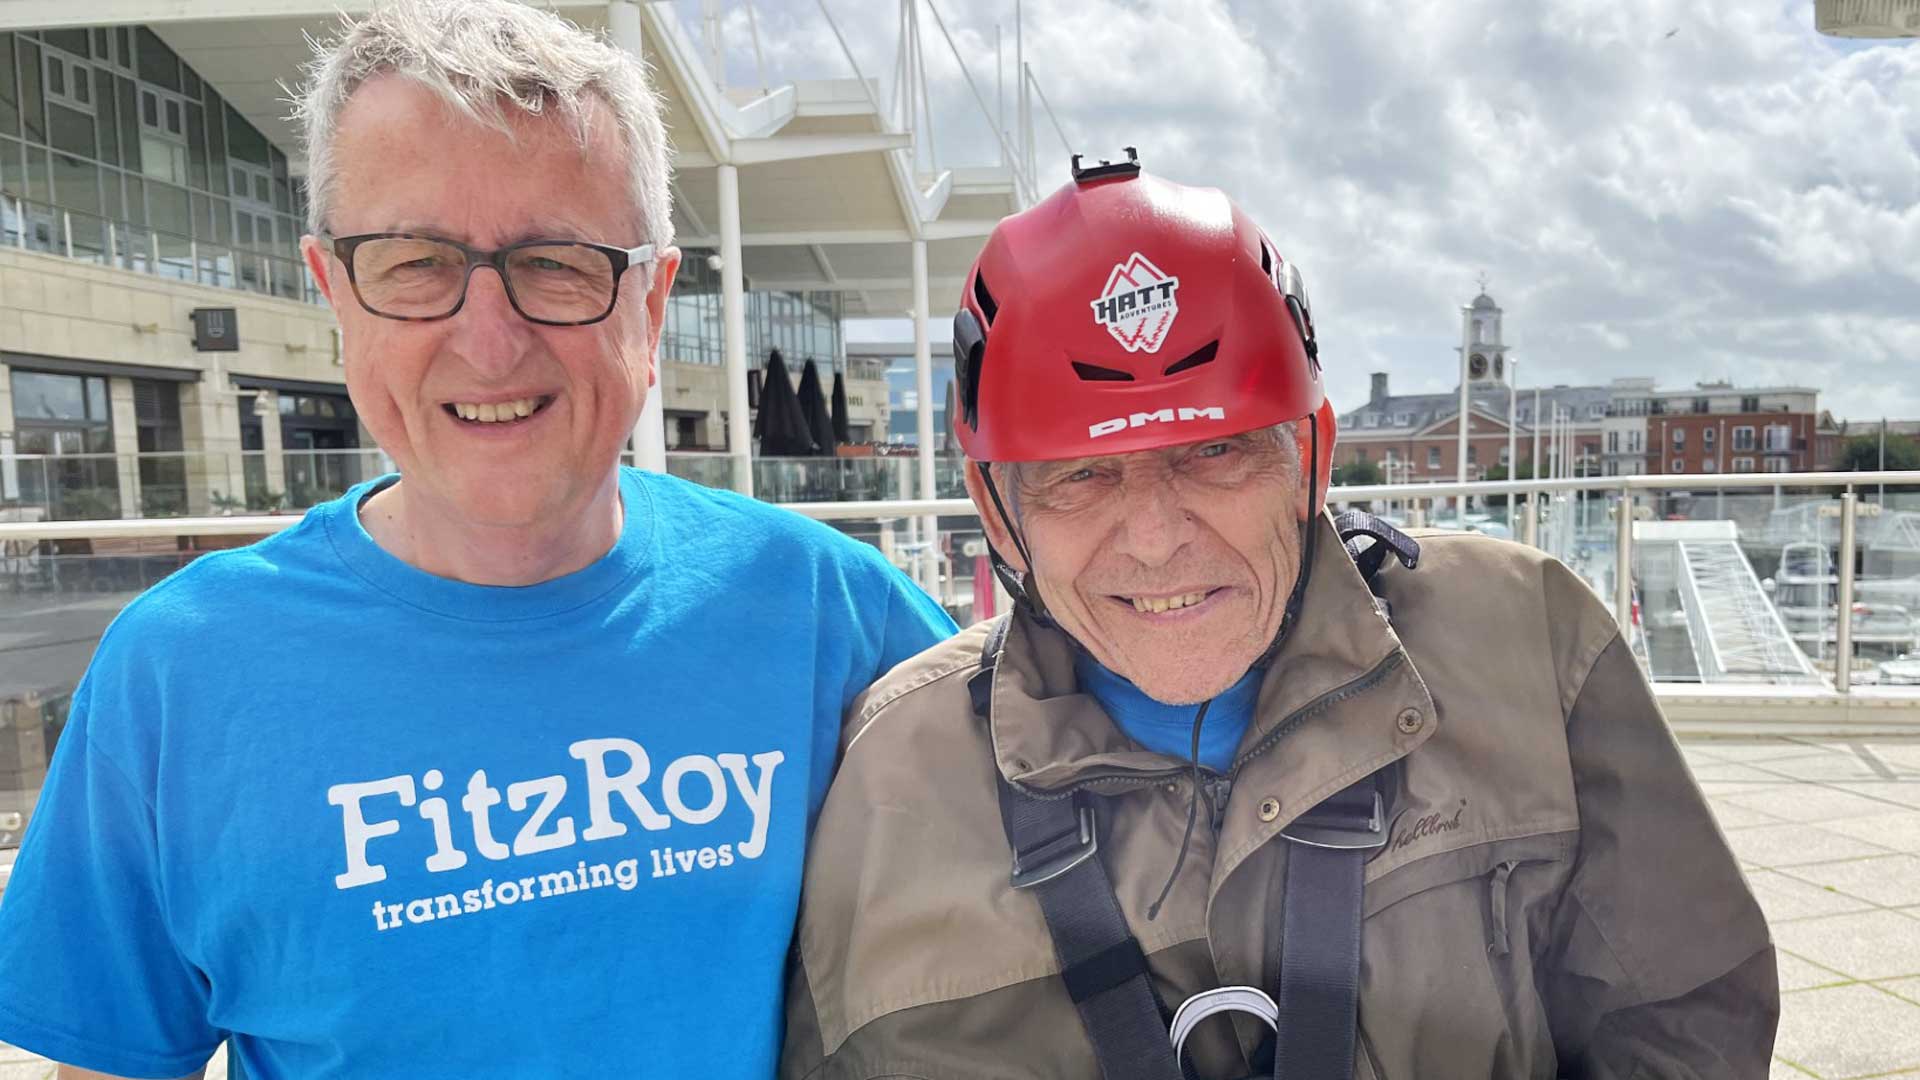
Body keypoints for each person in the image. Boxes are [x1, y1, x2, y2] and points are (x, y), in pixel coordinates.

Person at [0, 3, 954, 1077]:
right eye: (414, 262)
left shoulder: (838, 615)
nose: (490, 342)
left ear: (651, 297)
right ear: (333, 292)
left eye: (557, 261)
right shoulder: (176, 676)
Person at [781, 156, 1777, 1079]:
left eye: (1215, 453)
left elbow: (1687, 1018)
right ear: (995, 506)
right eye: (1079, 474)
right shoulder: (888, 781)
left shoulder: (1527, 643)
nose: (1158, 537)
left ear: (1311, 456)